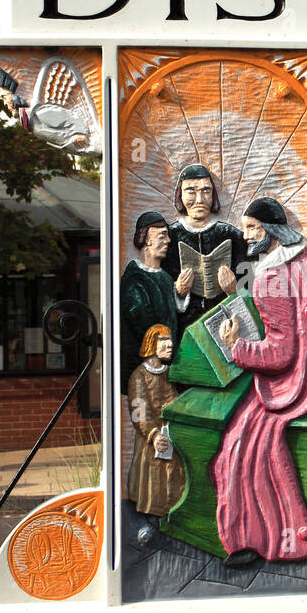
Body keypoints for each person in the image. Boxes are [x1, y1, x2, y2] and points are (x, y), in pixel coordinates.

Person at [211, 197, 307, 568]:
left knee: (238, 450)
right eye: (245, 228)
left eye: (253, 228)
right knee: (240, 446)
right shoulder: (300, 262)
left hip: (287, 384)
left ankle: (263, 540)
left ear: (273, 230)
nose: (247, 236)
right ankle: (279, 536)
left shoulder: (271, 277)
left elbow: (279, 352)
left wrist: (235, 345)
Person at [163, 164, 249, 328]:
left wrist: (234, 290)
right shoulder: (169, 237)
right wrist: (177, 291)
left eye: (206, 191)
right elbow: (158, 294)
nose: (199, 199)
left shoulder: (232, 235)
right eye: (191, 191)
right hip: (185, 329)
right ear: (180, 195)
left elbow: (251, 286)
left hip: (227, 326)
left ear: (213, 195)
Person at [126, 323, 186, 549]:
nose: (169, 345)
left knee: (174, 477)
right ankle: (151, 524)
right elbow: (139, 409)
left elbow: (174, 399)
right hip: (151, 438)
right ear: (152, 344)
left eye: (170, 340)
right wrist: (152, 434)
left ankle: (172, 520)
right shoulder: (139, 376)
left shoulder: (169, 373)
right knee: (153, 482)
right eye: (163, 341)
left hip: (171, 433)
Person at [119, 212, 190, 394]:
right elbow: (145, 327)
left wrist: (179, 294)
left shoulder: (164, 277)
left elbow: (169, 312)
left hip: (165, 365)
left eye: (167, 235)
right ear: (146, 240)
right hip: (146, 371)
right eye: (161, 236)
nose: (168, 241)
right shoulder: (135, 280)